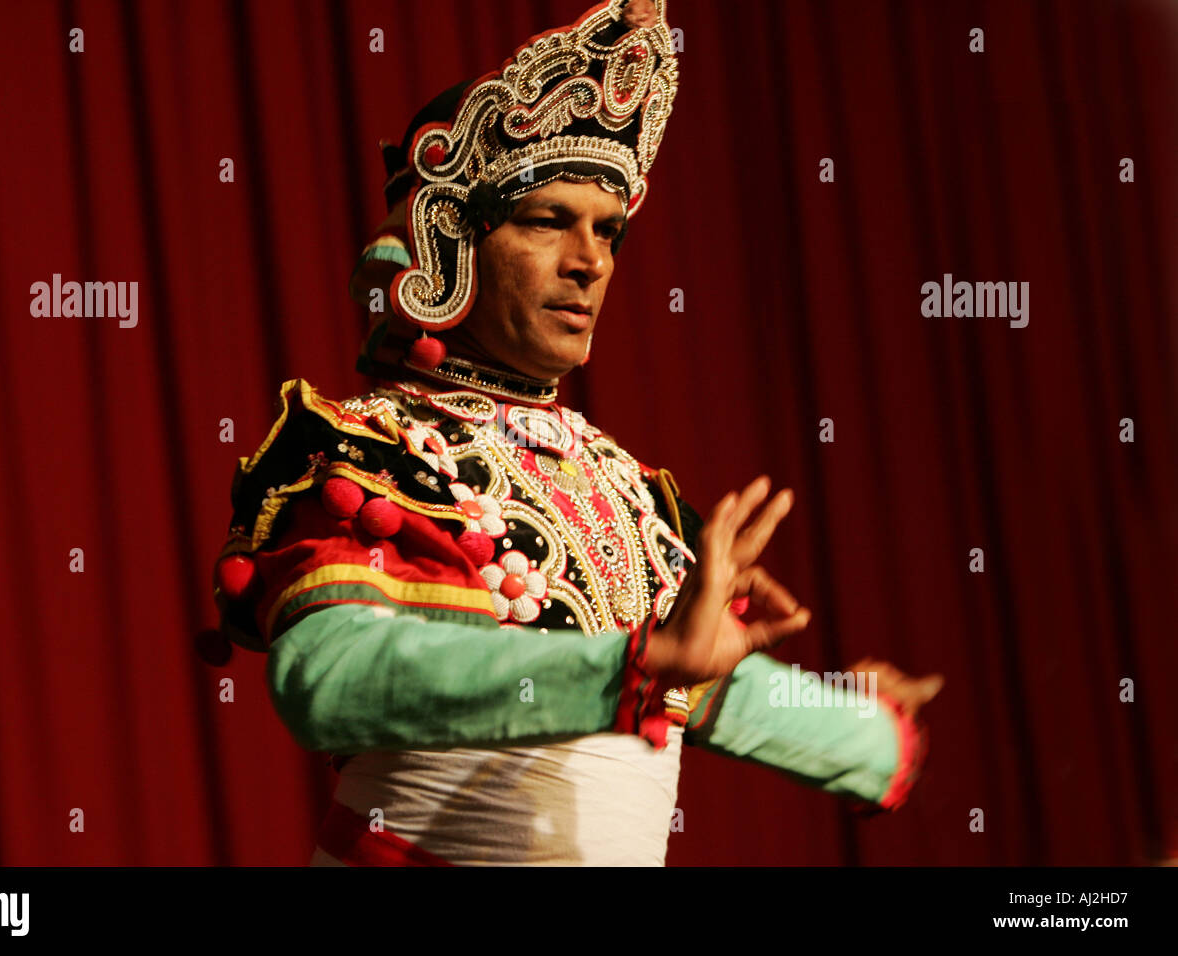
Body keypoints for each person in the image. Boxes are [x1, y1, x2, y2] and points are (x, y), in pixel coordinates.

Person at [209, 0, 942, 866]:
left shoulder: (623, 488)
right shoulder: (375, 456)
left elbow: (700, 689)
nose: (590, 261)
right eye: (547, 220)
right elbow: (332, 680)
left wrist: (865, 724)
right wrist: (628, 669)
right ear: (453, 245)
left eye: (608, 231)